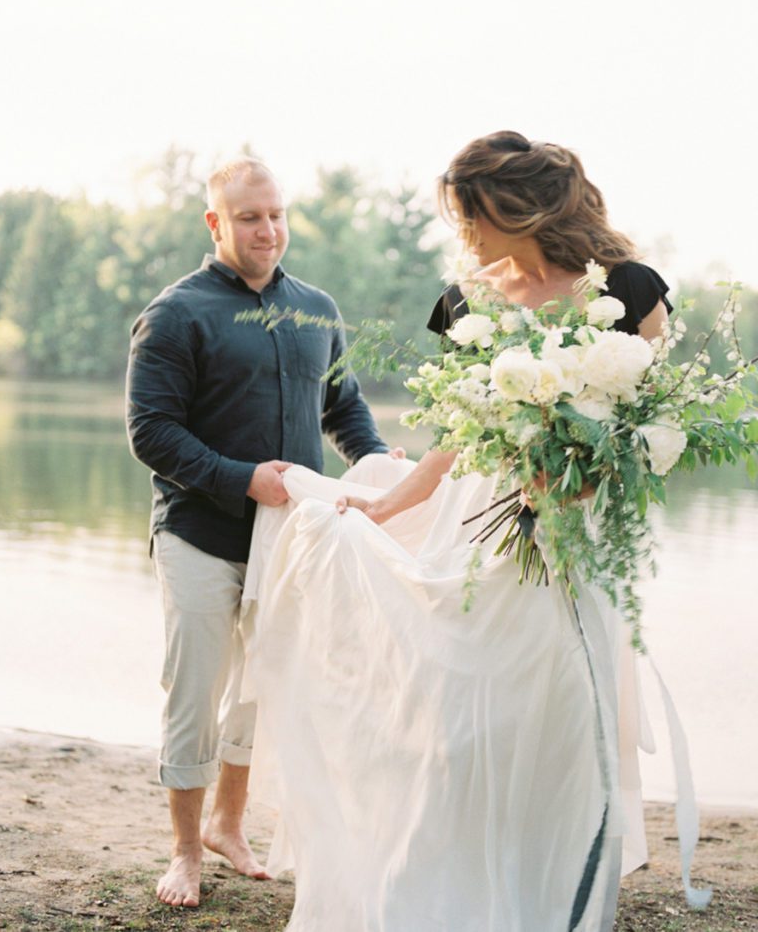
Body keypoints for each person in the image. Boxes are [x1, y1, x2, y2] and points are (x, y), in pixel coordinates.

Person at [243, 132, 676, 930]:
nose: (463, 232)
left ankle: (549, 892)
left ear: (522, 209)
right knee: (456, 705)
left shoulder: (627, 287)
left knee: (559, 716)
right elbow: (454, 433)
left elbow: (656, 429)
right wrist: (388, 502)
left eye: (472, 214)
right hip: (479, 526)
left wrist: (580, 473)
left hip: (577, 533)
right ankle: (428, 885)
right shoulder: (465, 300)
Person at [125, 157, 394, 908]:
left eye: (275, 213)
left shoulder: (315, 307)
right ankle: (184, 851)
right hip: (199, 533)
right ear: (216, 223)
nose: (268, 229)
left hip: (290, 538)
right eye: (250, 217)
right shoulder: (177, 314)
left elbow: (343, 408)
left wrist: (375, 466)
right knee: (196, 691)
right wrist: (243, 477)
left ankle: (228, 825)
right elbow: (150, 431)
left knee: (259, 690)